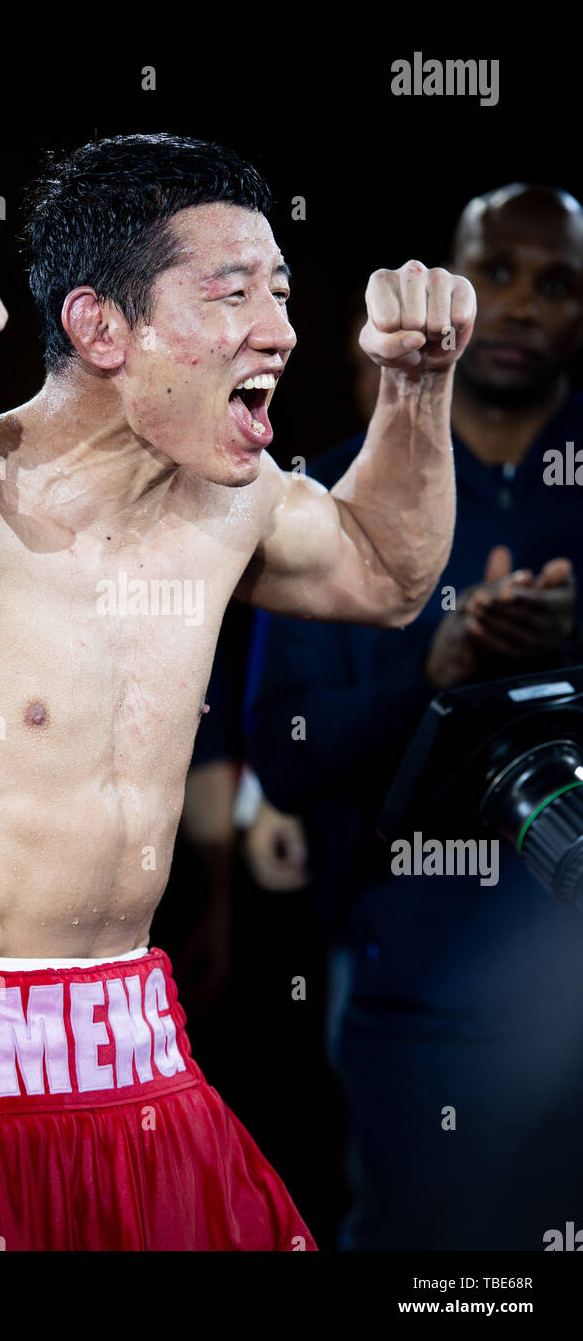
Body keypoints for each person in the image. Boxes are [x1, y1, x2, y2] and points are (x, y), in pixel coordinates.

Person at [0, 133, 475, 1252]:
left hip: (142, 1042)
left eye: (278, 290)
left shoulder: (235, 503)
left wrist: (415, 385)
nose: (279, 328)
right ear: (100, 328)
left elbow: (389, 575)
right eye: (231, 295)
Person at [245, 182, 583, 1250]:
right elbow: (284, 754)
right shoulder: (326, 496)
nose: (523, 303)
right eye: (497, 272)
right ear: (452, 280)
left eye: (557, 282)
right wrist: (434, 671)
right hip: (414, 984)